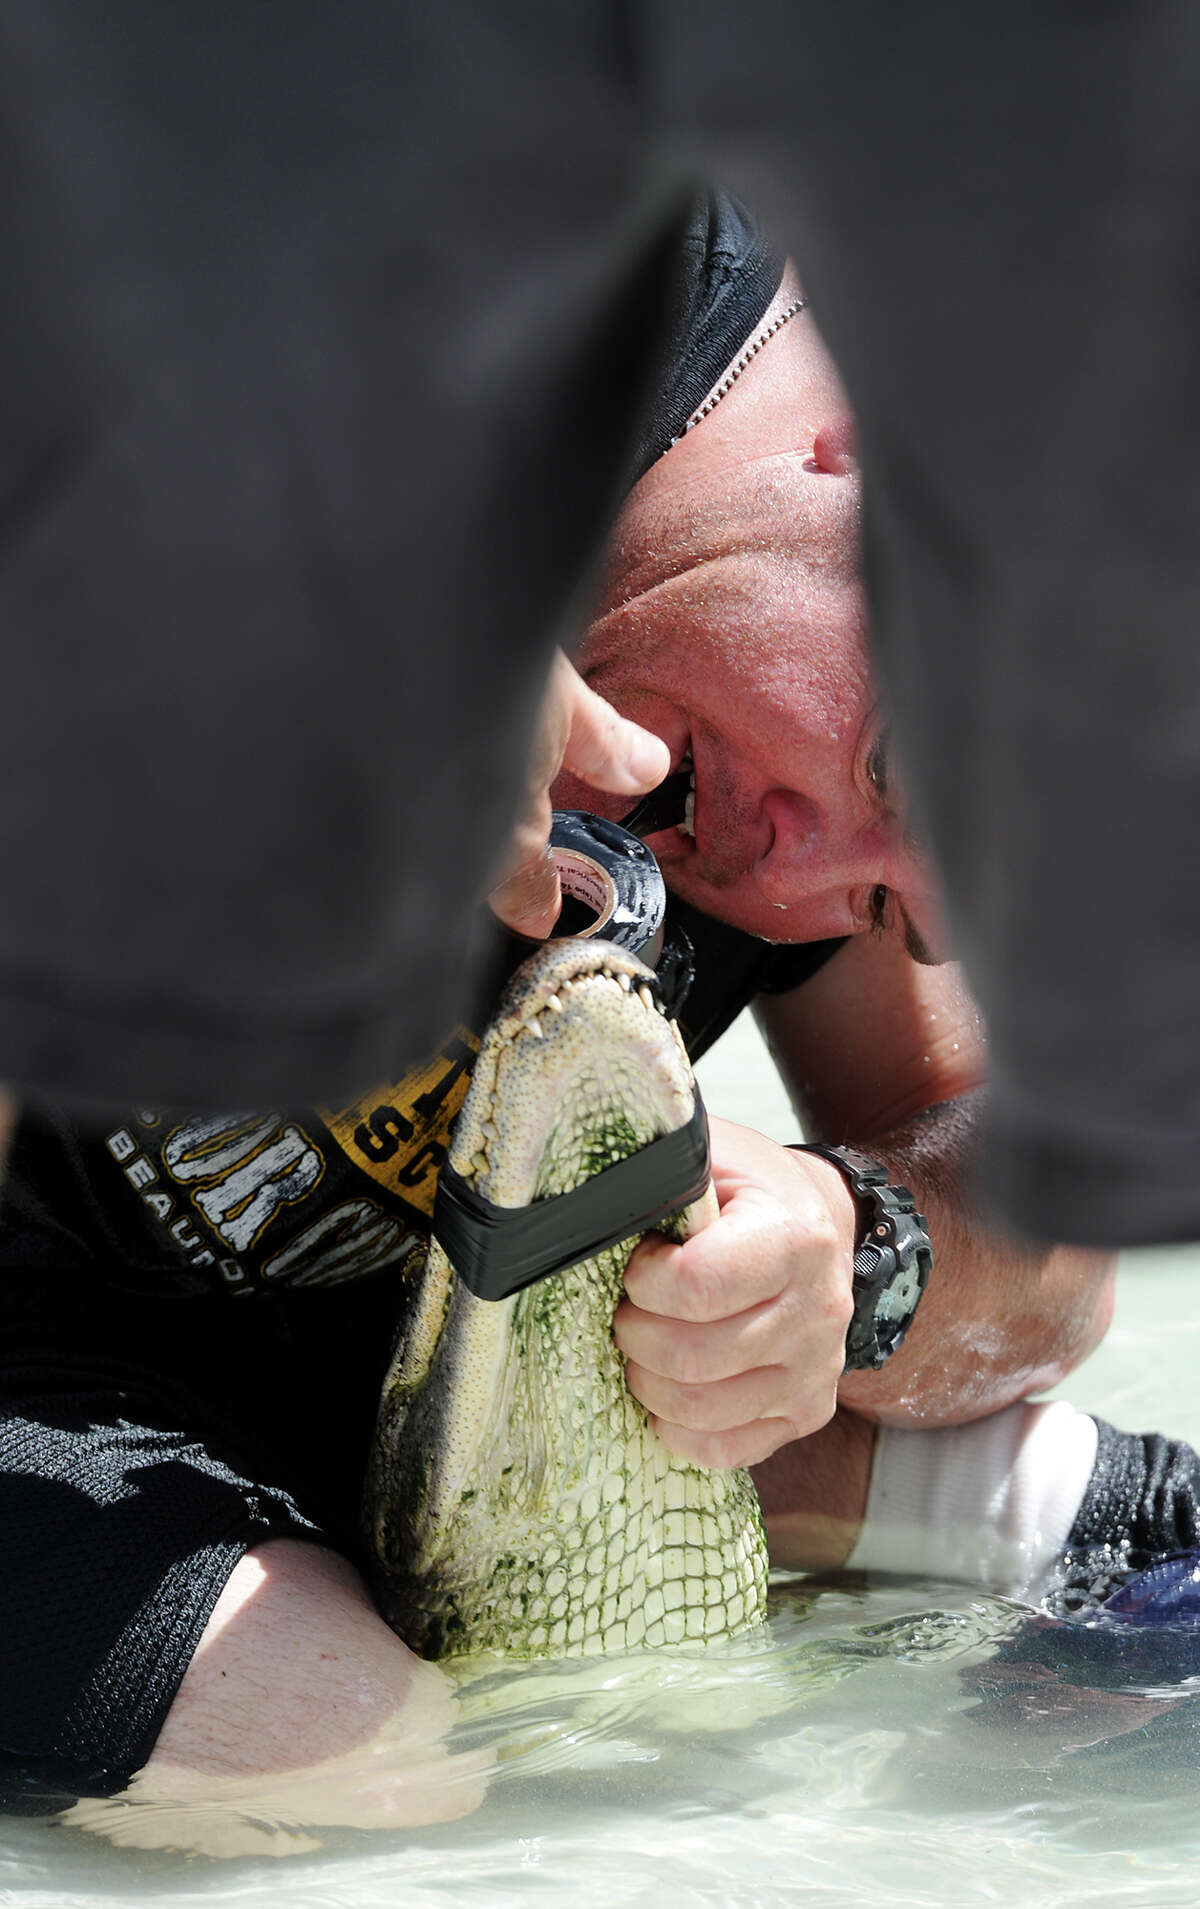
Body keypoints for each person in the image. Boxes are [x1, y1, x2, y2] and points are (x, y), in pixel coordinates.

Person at [0, 190, 1118, 1849]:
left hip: (341, 1370)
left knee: (1051, 1510)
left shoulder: (838, 774)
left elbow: (1050, 1242)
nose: (792, 874)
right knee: (340, 1752)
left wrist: (853, 1244)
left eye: (890, 908)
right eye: (885, 770)